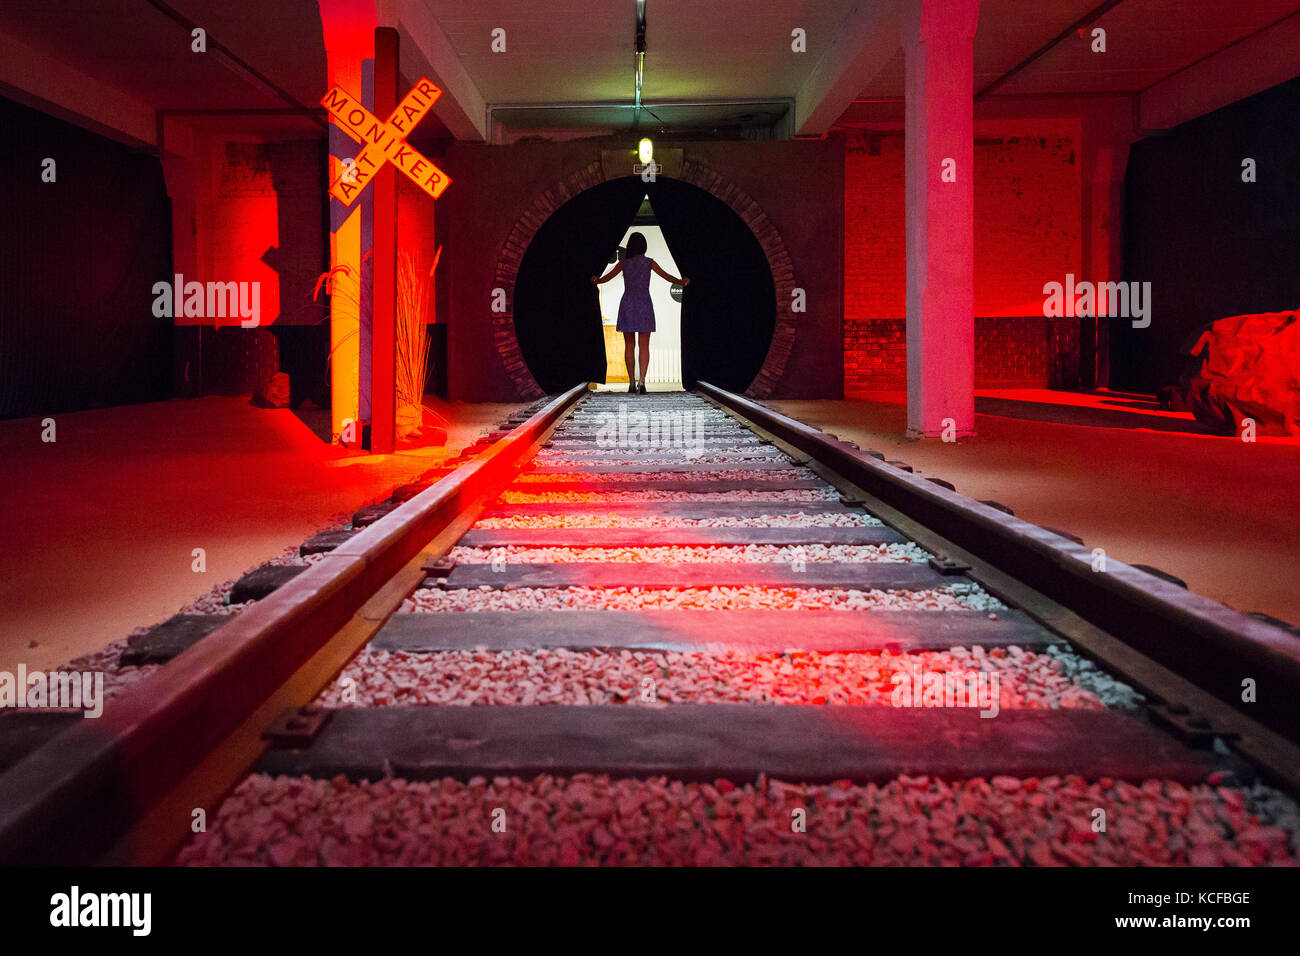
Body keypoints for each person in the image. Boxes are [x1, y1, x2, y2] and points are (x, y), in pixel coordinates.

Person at [592, 232, 688, 394]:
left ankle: (630, 383)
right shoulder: (649, 263)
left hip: (627, 304)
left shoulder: (623, 264)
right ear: (644, 246)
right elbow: (666, 276)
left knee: (629, 345)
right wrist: (681, 282)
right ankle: (642, 382)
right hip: (644, 304)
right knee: (644, 345)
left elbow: (605, 278)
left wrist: (596, 280)